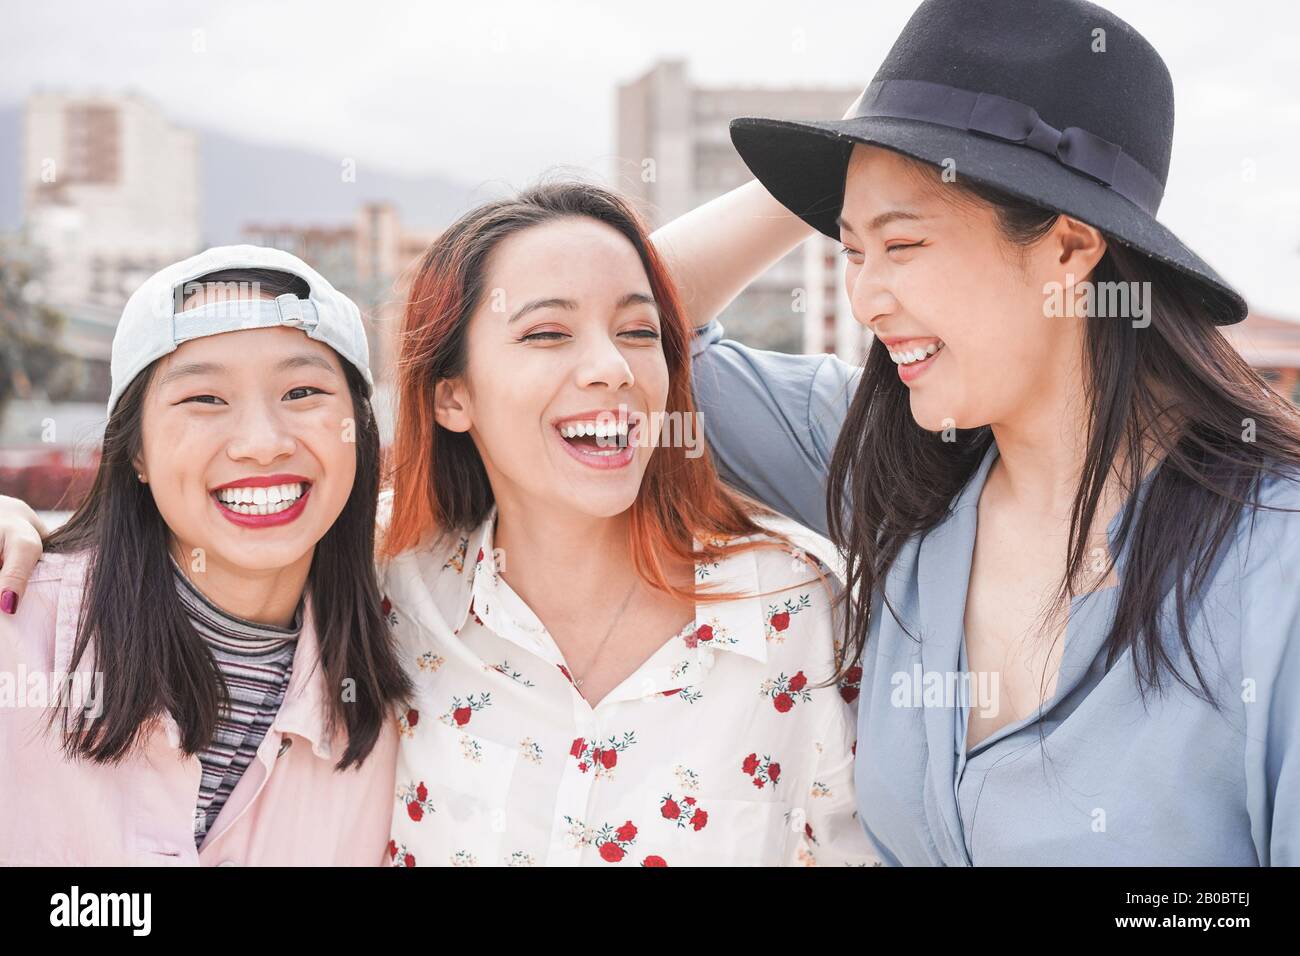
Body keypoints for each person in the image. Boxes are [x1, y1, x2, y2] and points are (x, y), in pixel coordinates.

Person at [647, 0, 1300, 864]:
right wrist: (867, 149)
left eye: (904, 243)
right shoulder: (889, 469)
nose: (865, 296)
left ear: (1070, 249)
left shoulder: (1274, 567)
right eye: (850, 251)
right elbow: (645, 328)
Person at [379, 181, 878, 866]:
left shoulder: (794, 607)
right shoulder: (386, 587)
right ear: (451, 395)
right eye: (547, 333)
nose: (612, 368)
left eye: (639, 332)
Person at [0, 247, 409, 865]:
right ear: (134, 451)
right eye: (204, 400)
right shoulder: (16, 634)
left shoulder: (412, 676)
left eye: (301, 391)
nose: (261, 443)